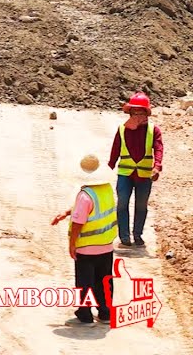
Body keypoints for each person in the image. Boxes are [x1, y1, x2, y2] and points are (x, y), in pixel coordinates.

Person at [51, 154, 117, 325]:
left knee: (85, 282)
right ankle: (105, 312)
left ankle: (85, 313)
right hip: (106, 245)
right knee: (104, 281)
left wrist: (72, 244)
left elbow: (79, 222)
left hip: (87, 248)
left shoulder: (84, 195)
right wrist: (67, 212)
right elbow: (93, 210)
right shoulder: (107, 189)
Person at [108, 91, 164, 247]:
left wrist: (157, 166)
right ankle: (124, 237)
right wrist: (110, 164)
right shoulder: (122, 129)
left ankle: (137, 235)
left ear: (146, 113)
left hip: (145, 176)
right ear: (130, 112)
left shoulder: (154, 130)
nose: (137, 115)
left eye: (141, 112)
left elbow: (159, 148)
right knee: (122, 204)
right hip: (125, 174)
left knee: (141, 206)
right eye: (134, 112)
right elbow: (116, 148)